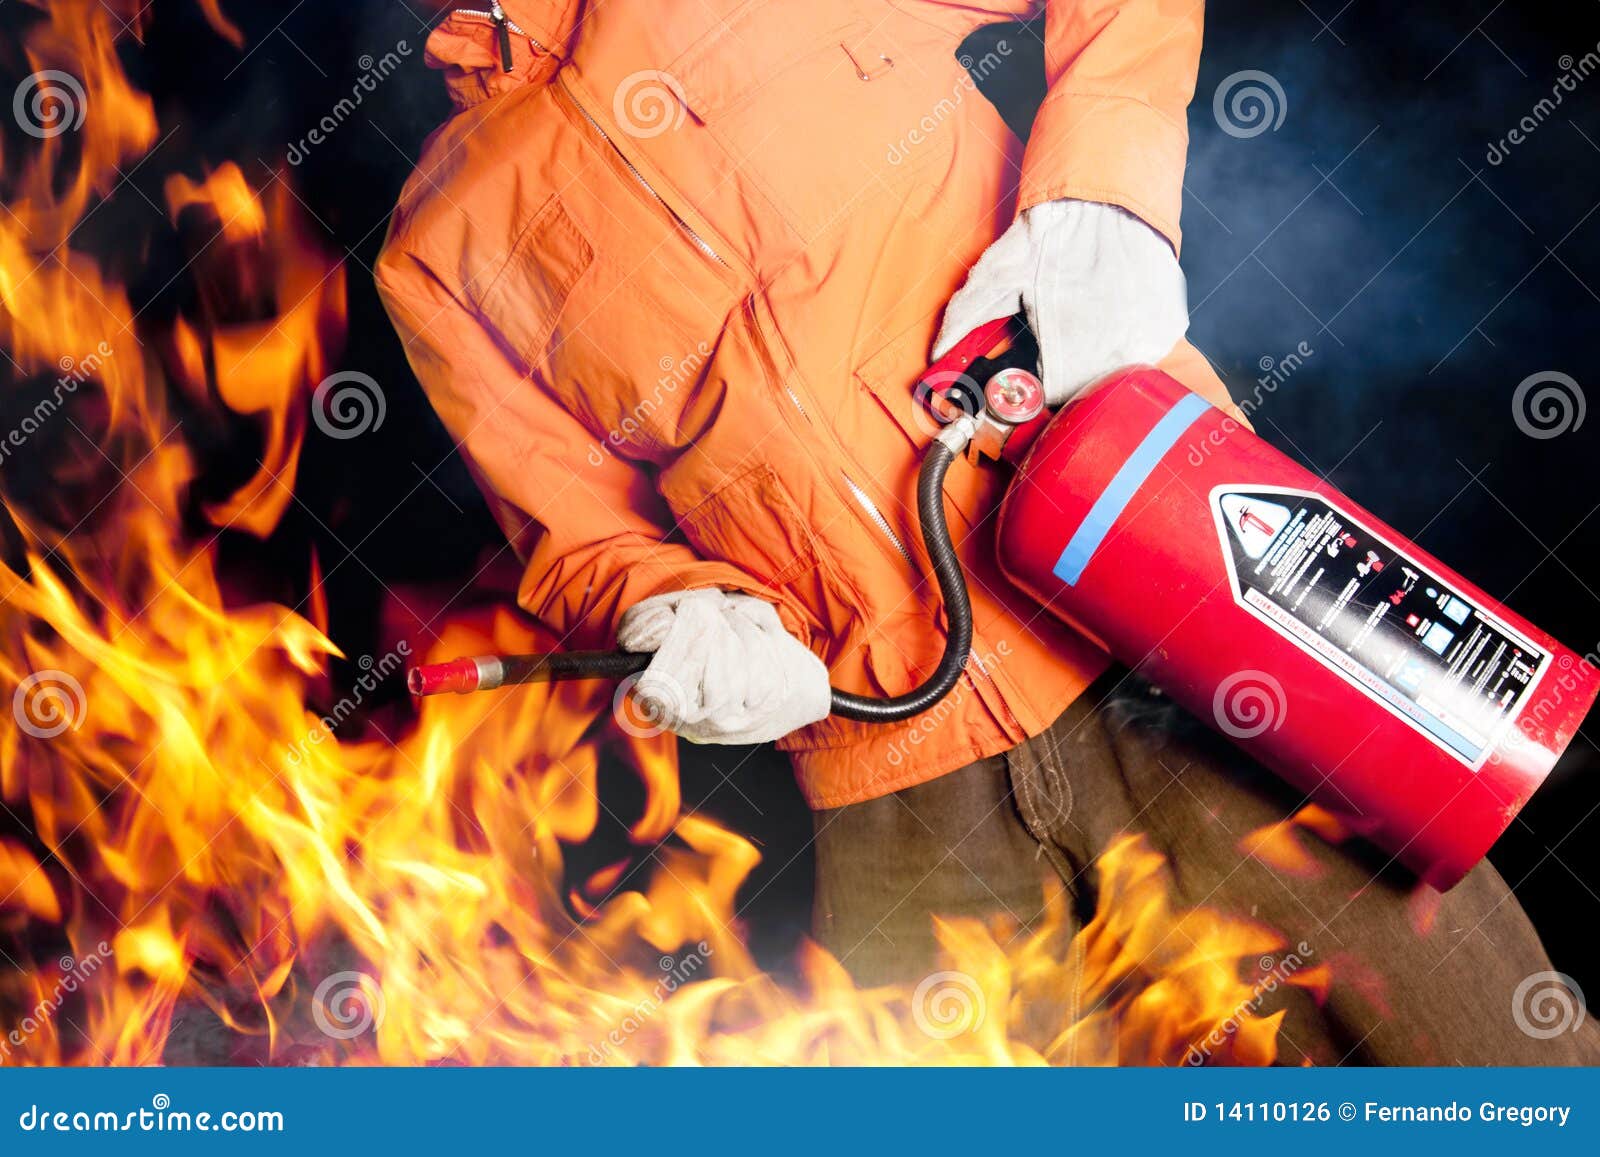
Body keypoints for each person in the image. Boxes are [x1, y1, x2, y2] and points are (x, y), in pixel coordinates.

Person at [377, 1, 1595, 1064]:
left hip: (1176, 617)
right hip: (889, 769)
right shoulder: (435, 243)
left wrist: (1103, 201)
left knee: (1499, 1062)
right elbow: (572, 527)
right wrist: (670, 606)